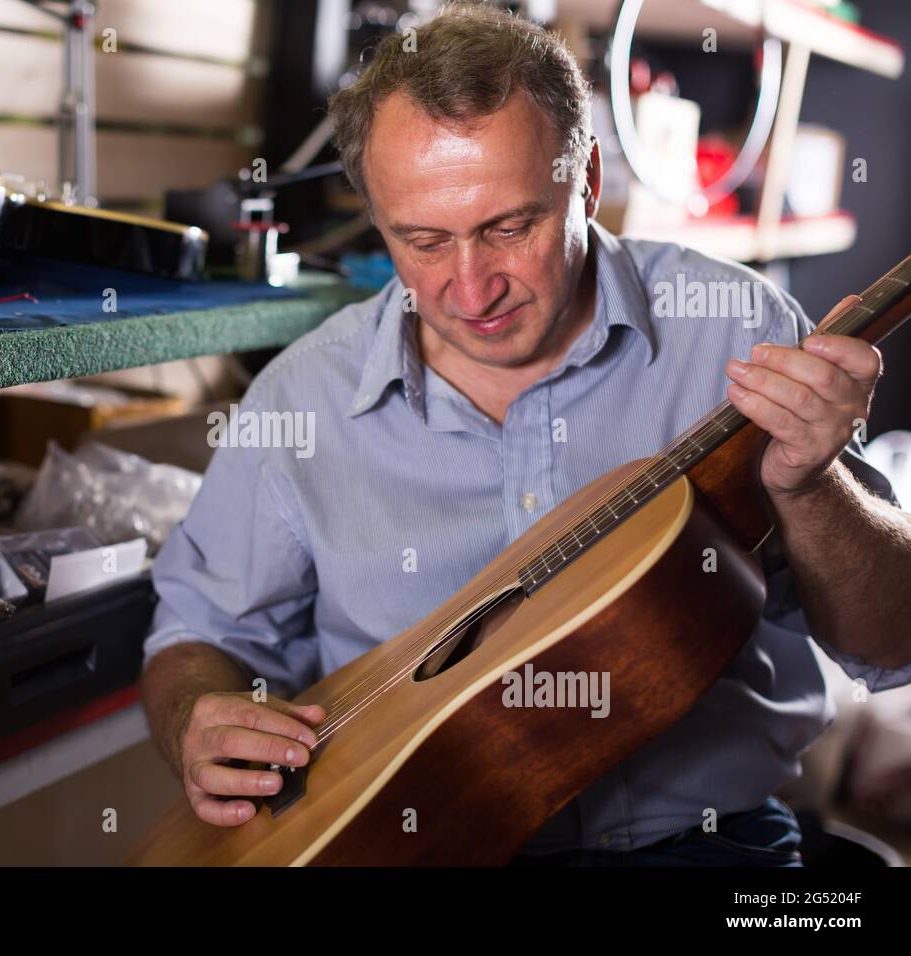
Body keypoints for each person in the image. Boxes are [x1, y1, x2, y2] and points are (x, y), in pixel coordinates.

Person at [138, 1, 911, 865]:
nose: (471, 292)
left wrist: (813, 487)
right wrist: (194, 719)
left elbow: (892, 642)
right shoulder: (301, 397)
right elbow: (198, 633)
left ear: (584, 183)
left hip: (697, 842)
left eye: (509, 228)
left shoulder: (736, 330)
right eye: (422, 241)